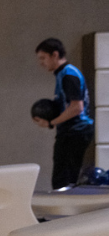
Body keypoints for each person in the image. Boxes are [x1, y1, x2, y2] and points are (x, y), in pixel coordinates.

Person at [33, 38, 94, 189]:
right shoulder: (62, 74)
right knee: (61, 177)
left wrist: (51, 123)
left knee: (64, 180)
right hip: (70, 131)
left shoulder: (68, 75)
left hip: (75, 131)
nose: (41, 63)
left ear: (54, 55)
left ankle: (65, 212)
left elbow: (76, 107)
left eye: (43, 58)